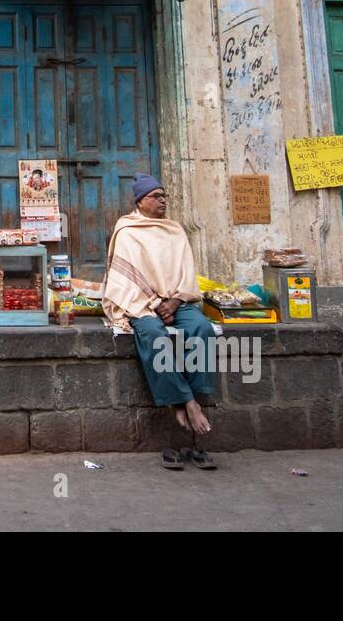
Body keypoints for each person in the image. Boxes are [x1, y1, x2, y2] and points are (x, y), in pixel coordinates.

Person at [102, 172, 219, 470]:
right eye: (156, 196)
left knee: (202, 329)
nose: (163, 200)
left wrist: (175, 301)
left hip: (177, 300)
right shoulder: (127, 231)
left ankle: (185, 401)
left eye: (165, 195)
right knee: (154, 335)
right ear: (140, 201)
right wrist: (156, 303)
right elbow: (125, 279)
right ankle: (188, 403)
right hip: (142, 302)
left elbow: (185, 273)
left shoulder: (175, 230)